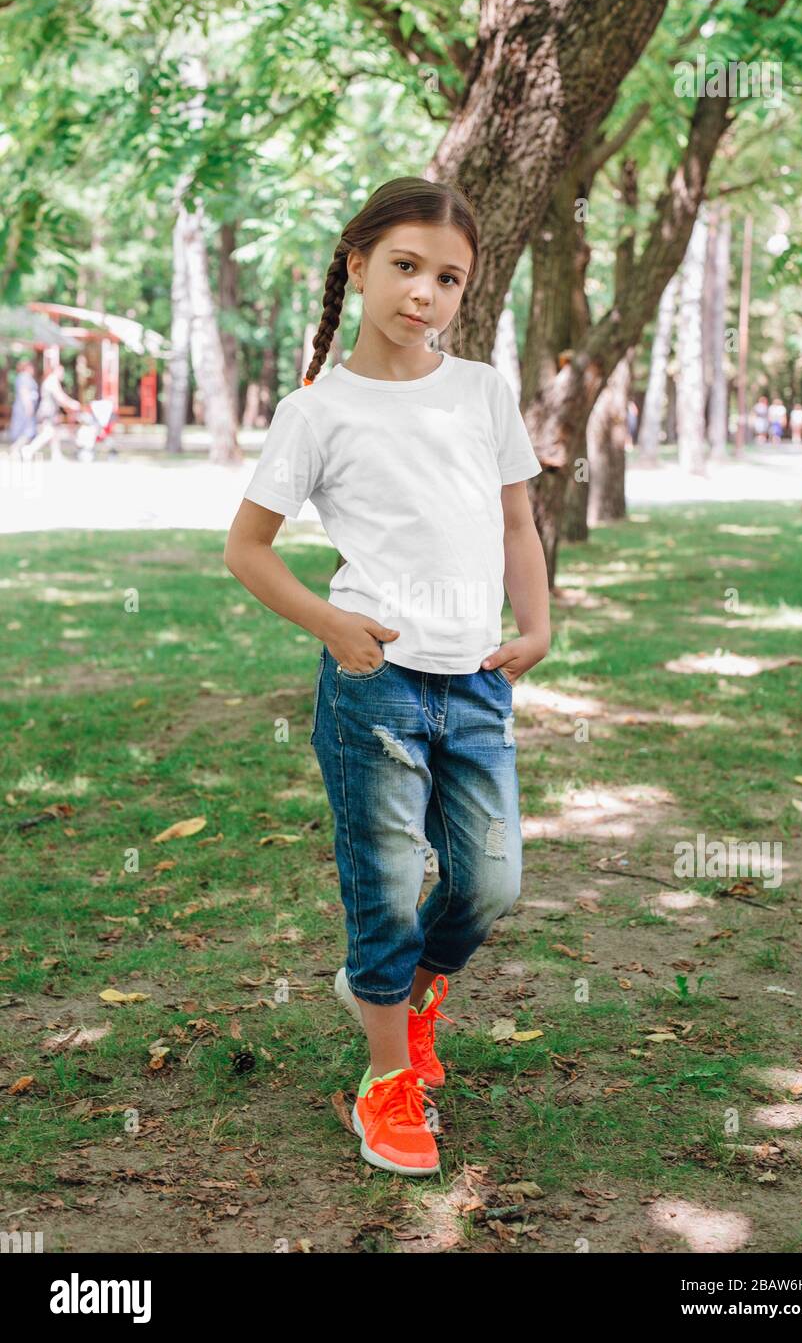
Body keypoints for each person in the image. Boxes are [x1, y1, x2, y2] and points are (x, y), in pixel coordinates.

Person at [224, 177, 549, 1177]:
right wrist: (331, 624)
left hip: (475, 679)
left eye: (447, 277)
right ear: (357, 263)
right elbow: (248, 549)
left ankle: (411, 996)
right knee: (388, 888)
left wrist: (534, 624)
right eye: (405, 267)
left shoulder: (483, 389)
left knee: (491, 880)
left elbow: (512, 523)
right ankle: (384, 1078)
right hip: (375, 684)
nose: (425, 293)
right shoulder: (317, 410)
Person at [20, 363, 81, 461]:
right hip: (47, 412)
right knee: (48, 433)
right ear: (56, 371)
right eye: (61, 371)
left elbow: (60, 397)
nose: (63, 374)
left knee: (54, 433)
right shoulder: (52, 381)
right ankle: (29, 450)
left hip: (50, 411)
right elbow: (60, 397)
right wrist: (72, 404)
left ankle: (56, 455)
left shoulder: (52, 380)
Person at [8, 359, 40, 452]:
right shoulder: (23, 377)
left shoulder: (27, 377)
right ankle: (15, 449)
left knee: (28, 431)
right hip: (23, 409)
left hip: (26, 407)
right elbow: (24, 393)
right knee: (26, 430)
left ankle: (18, 450)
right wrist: (29, 407)